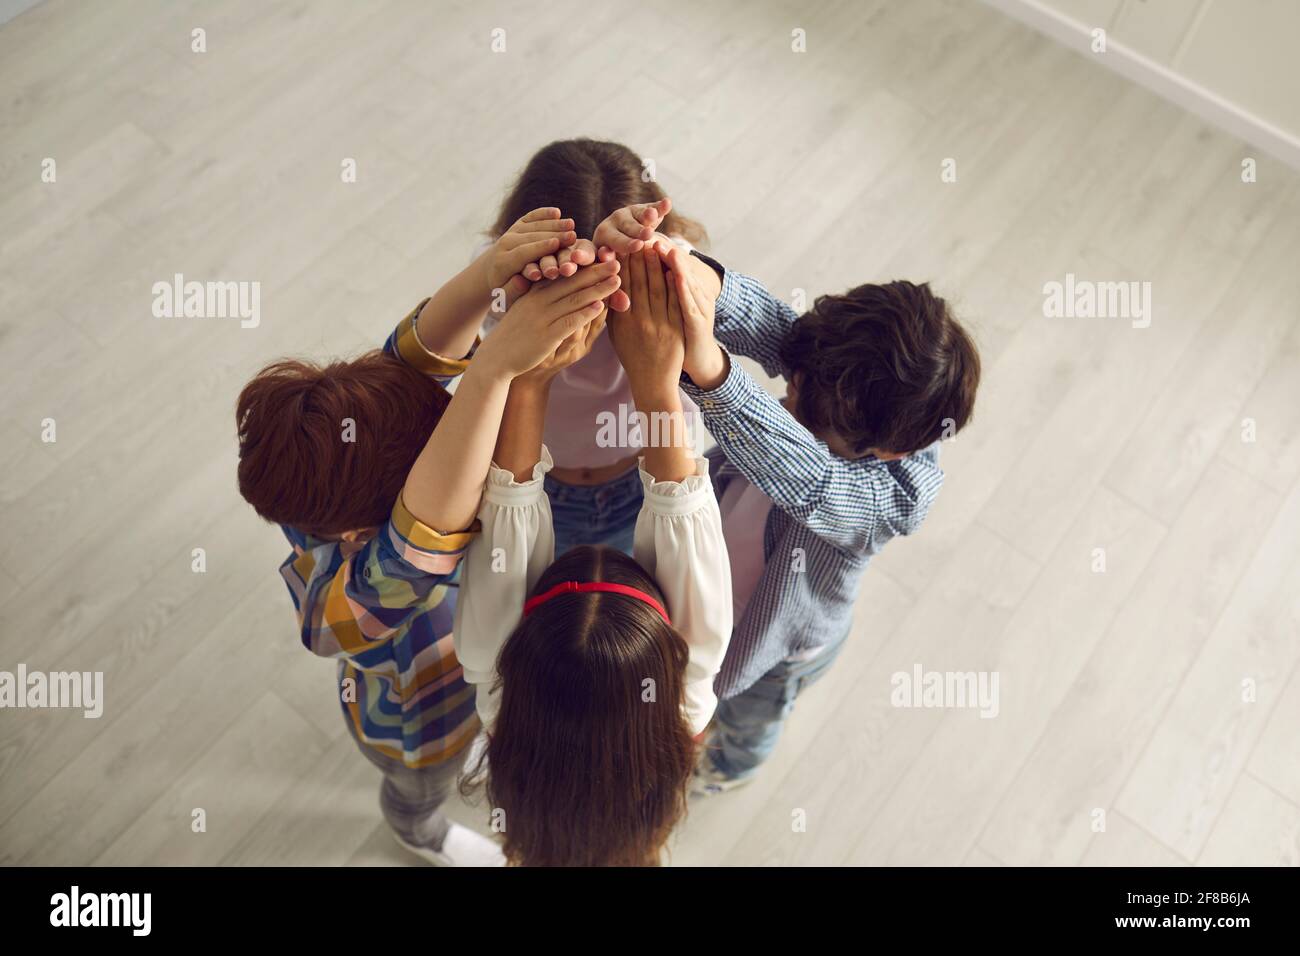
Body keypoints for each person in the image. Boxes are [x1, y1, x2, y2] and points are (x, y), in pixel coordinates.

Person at [234, 214, 617, 864]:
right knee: (418, 791)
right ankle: (416, 830)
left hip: (476, 679)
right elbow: (419, 543)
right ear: (366, 529)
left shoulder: (336, 472)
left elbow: (410, 365)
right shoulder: (344, 610)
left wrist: (486, 278)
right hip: (424, 730)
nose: (458, 437)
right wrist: (495, 368)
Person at [454, 246, 732, 866]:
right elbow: (685, 521)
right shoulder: (682, 700)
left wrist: (527, 380)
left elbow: (508, 538)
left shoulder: (502, 678)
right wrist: (657, 381)